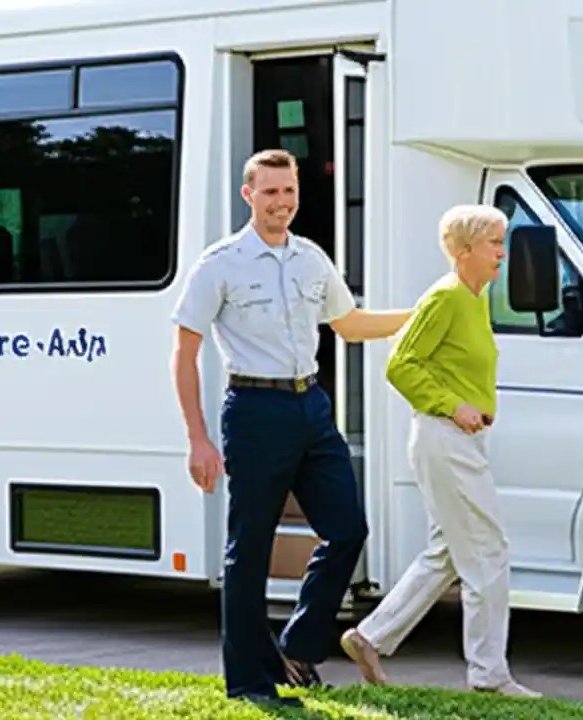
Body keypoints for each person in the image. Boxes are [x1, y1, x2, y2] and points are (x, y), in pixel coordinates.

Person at [169, 148, 412, 707]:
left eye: (290, 191)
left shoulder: (310, 259)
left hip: (311, 407)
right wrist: (198, 439)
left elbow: (349, 325)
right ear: (248, 195)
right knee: (248, 550)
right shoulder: (220, 263)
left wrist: (420, 313)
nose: (283, 202)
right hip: (254, 412)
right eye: (271, 192)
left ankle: (298, 647)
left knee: (347, 528)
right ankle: (250, 681)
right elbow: (184, 354)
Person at [338, 204, 540, 698]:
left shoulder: (475, 297)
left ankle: (370, 637)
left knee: (448, 552)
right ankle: (489, 676)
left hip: (458, 440)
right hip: (444, 438)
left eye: (503, 241)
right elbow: (400, 365)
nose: (503, 252)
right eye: (495, 242)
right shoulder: (446, 298)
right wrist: (454, 406)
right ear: (465, 249)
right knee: (487, 552)